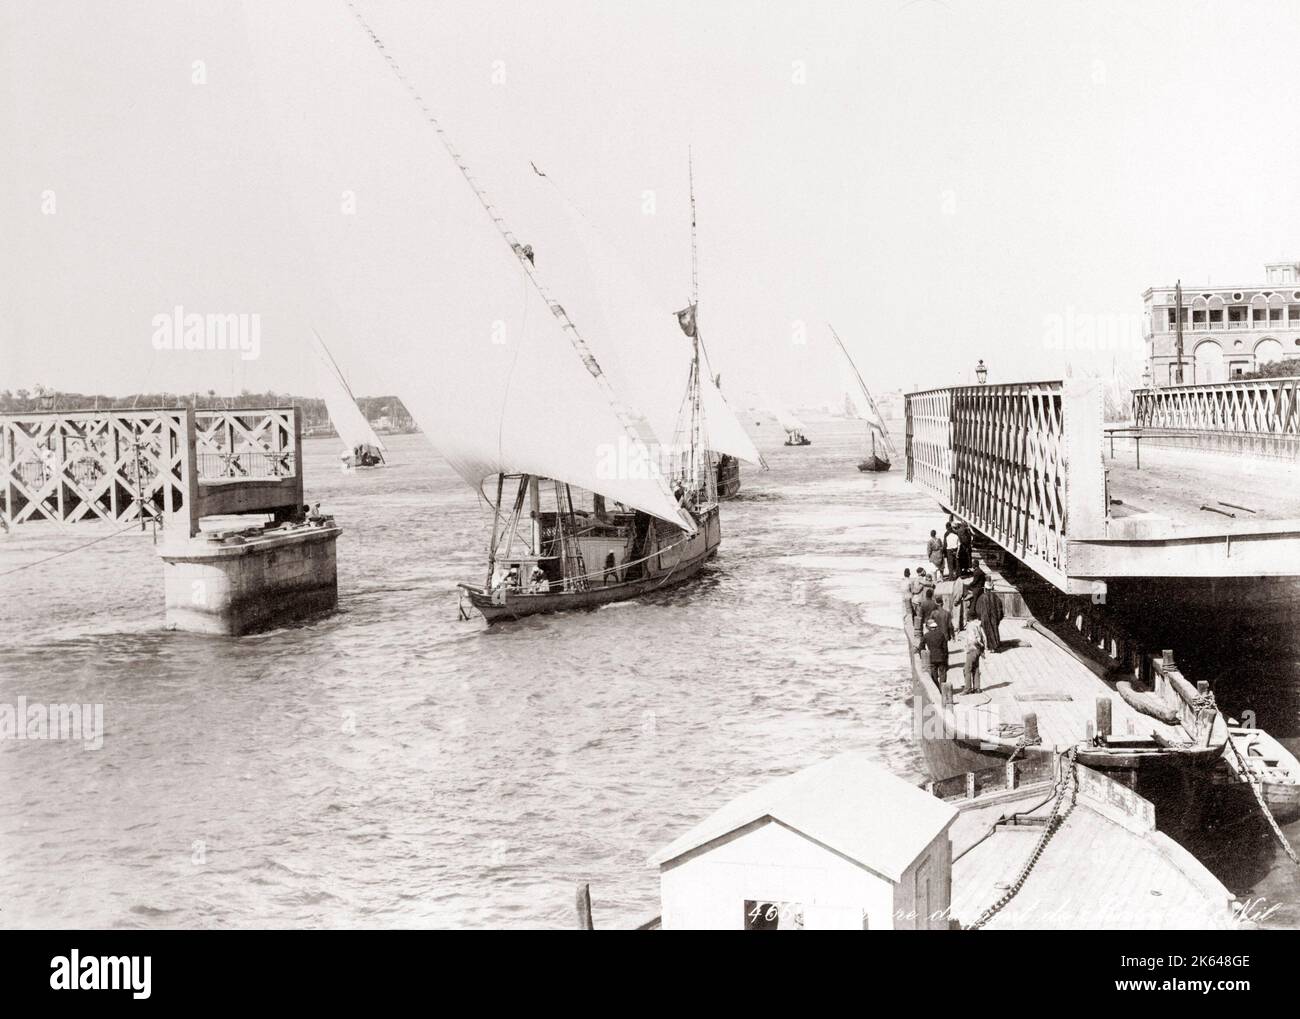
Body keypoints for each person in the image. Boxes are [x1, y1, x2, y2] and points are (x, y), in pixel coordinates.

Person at [918, 617, 950, 688]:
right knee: (942, 673)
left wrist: (922, 656)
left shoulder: (926, 635)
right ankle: (943, 687)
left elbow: (921, 647)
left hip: (932, 657)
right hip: (941, 657)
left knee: (934, 674)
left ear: (929, 627)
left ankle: (937, 687)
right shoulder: (941, 635)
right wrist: (946, 657)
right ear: (936, 627)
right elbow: (945, 648)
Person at [976, 582, 1004, 653]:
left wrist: (980, 617)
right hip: (994, 618)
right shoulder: (996, 597)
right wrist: (999, 618)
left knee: (987, 632)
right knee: (994, 630)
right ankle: (995, 646)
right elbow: (1000, 609)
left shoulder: (982, 597)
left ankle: (989, 647)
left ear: (985, 589)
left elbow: (978, 609)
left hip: (985, 618)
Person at [962, 615, 986, 693]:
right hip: (979, 650)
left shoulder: (970, 626)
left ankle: (967, 688)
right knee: (976, 668)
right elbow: (984, 638)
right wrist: (982, 648)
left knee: (967, 669)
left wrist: (975, 644)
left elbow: (973, 639)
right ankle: (977, 688)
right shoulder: (978, 625)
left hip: (972, 649)